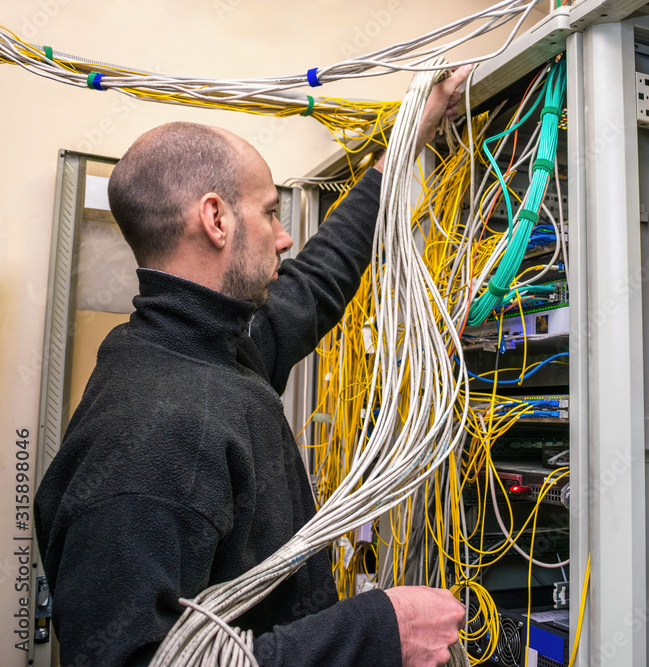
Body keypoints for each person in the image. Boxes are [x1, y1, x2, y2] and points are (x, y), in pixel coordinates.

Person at [33, 66, 472, 667]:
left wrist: (404, 147)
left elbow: (315, 282)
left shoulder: (201, 350)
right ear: (216, 220)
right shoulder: (150, 433)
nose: (285, 237)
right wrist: (375, 633)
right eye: (270, 213)